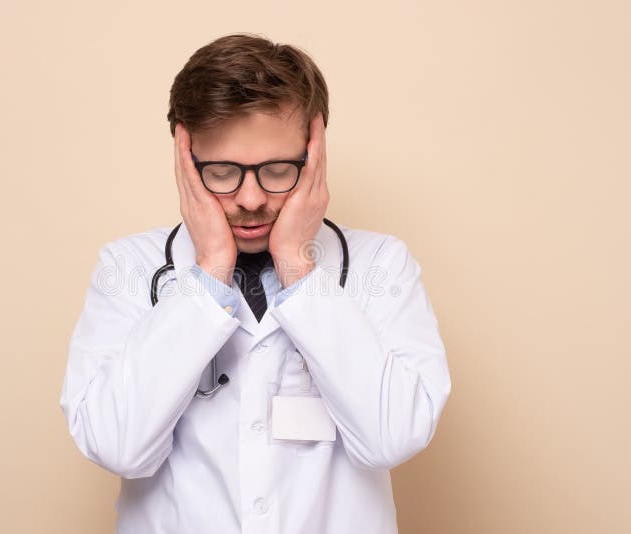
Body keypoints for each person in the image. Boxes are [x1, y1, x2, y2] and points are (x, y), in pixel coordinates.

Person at [60, 33, 451, 534]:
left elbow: (392, 438)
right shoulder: (129, 268)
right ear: (185, 159)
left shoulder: (382, 265)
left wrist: (297, 265)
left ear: (314, 157)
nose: (250, 199)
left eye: (277, 170)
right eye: (222, 172)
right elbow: (117, 446)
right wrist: (209, 272)